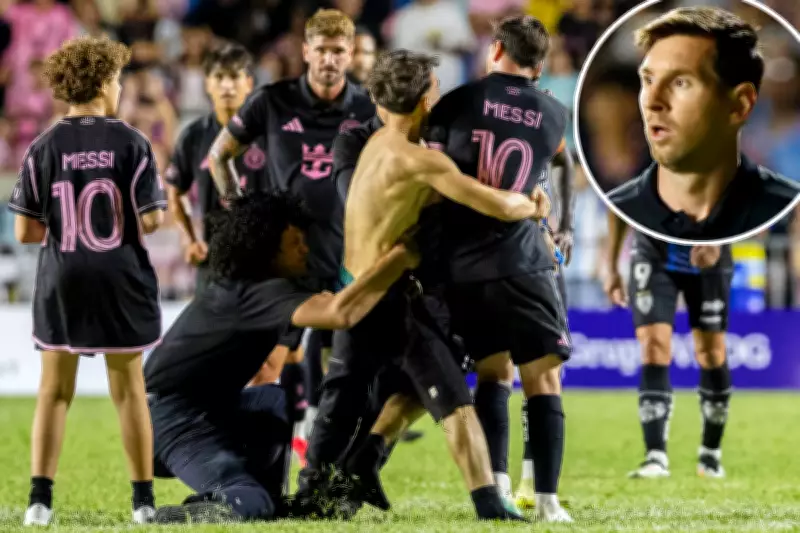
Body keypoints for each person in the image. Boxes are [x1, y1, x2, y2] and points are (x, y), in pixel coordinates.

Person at [301, 49, 548, 522]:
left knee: (344, 399)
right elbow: (495, 204)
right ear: (424, 100)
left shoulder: (373, 145)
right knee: (456, 403)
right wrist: (532, 206)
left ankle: (321, 488)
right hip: (395, 298)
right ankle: (488, 505)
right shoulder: (419, 160)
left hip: (357, 289)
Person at [145, 192, 419, 524]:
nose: (305, 248)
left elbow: (334, 303)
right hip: (168, 420)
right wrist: (401, 256)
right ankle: (183, 515)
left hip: (201, 409)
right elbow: (339, 313)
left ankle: (264, 497)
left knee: (271, 398)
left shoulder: (249, 287)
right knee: (249, 501)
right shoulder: (258, 293)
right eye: (295, 242)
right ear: (266, 248)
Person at [207, 9, 377, 463]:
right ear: (305, 51)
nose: (329, 59)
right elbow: (219, 156)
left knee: (352, 370)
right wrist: (241, 216)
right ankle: (255, 465)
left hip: (347, 258)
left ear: (349, 55)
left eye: (338, 51)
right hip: (285, 261)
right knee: (266, 365)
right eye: (320, 49)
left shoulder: (367, 107)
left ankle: (327, 468)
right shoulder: (271, 101)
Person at [9, 36, 166, 526]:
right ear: (102, 82)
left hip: (63, 279)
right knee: (129, 390)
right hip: (119, 278)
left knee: (54, 392)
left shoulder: (44, 144)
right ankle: (142, 502)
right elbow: (154, 220)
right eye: (117, 79)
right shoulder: (131, 141)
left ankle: (39, 501)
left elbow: (25, 230)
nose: (119, 88)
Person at [422, 15, 573, 522]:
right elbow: (563, 163)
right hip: (523, 261)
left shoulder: (458, 102)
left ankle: (500, 486)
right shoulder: (553, 112)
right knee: (542, 383)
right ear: (540, 61)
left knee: (492, 375)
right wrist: (565, 225)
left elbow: (429, 180)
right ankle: (547, 500)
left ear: (497, 49)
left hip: (464, 268)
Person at [606, 6, 800, 241]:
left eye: (680, 82)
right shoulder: (621, 209)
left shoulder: (784, 208)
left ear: (740, 105)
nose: (653, 101)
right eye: (648, 80)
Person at [605, 214, 733, 478]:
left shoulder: (722, 170)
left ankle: (710, 454)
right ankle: (655, 456)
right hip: (653, 252)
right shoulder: (645, 171)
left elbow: (744, 201)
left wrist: (720, 241)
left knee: (711, 353)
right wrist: (611, 265)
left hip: (708, 251)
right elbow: (619, 203)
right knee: (653, 345)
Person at [165, 42, 268, 296]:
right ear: (207, 84)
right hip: (214, 262)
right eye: (219, 77)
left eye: (234, 76)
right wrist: (190, 239)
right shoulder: (194, 135)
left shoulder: (269, 133)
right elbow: (175, 192)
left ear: (249, 83)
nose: (226, 86)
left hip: (266, 262)